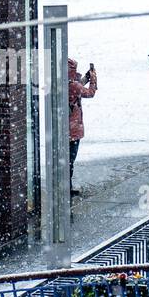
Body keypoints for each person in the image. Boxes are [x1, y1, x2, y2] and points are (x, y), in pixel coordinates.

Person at [67, 59, 97, 197]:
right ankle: (68, 186)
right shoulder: (72, 85)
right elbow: (89, 93)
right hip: (73, 129)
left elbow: (78, 87)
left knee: (66, 160)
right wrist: (93, 79)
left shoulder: (62, 83)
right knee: (70, 160)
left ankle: (66, 184)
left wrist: (85, 77)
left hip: (65, 128)